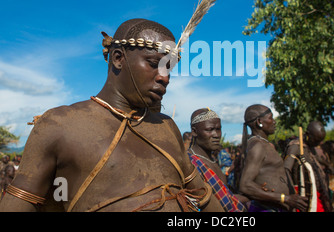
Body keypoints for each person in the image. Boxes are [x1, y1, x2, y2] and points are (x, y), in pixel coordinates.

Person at [0, 18, 223, 212]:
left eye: (168, 68)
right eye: (154, 64)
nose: (165, 78)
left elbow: (201, 195)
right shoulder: (60, 124)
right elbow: (21, 202)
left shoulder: (166, 126)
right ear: (118, 58)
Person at [238, 104, 308, 212]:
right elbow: (245, 185)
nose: (274, 122)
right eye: (271, 118)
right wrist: (285, 198)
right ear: (259, 122)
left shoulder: (264, 144)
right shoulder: (257, 146)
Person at [187, 108, 246, 212]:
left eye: (218, 129)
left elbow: (227, 197)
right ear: (194, 132)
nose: (216, 135)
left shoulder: (212, 159)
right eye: (209, 130)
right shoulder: (191, 163)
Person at [284, 120, 334, 212]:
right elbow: (286, 169)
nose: (318, 144)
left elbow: (318, 159)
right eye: (316, 140)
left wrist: (330, 167)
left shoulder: (310, 146)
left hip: (316, 193)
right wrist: (292, 195)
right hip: (303, 195)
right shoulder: (295, 147)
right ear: (307, 134)